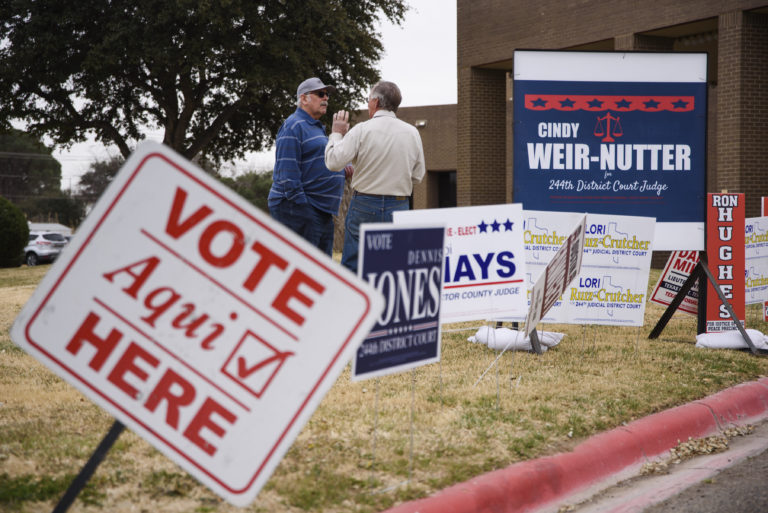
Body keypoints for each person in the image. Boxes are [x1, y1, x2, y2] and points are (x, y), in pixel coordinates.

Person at [325, 80, 426, 273]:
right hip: (399, 204)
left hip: (364, 204)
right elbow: (418, 176)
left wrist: (337, 134)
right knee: (393, 267)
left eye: (368, 99)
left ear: (376, 102)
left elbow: (333, 162)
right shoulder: (412, 133)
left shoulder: (362, 130)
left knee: (354, 266)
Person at [267, 77, 352, 256]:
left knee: (320, 273)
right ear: (304, 99)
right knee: (305, 269)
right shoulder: (293, 125)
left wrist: (341, 171)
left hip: (321, 211)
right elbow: (287, 174)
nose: (326, 98)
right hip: (302, 209)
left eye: (327, 94)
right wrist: (304, 208)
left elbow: (315, 163)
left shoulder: (316, 128)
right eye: (321, 94)